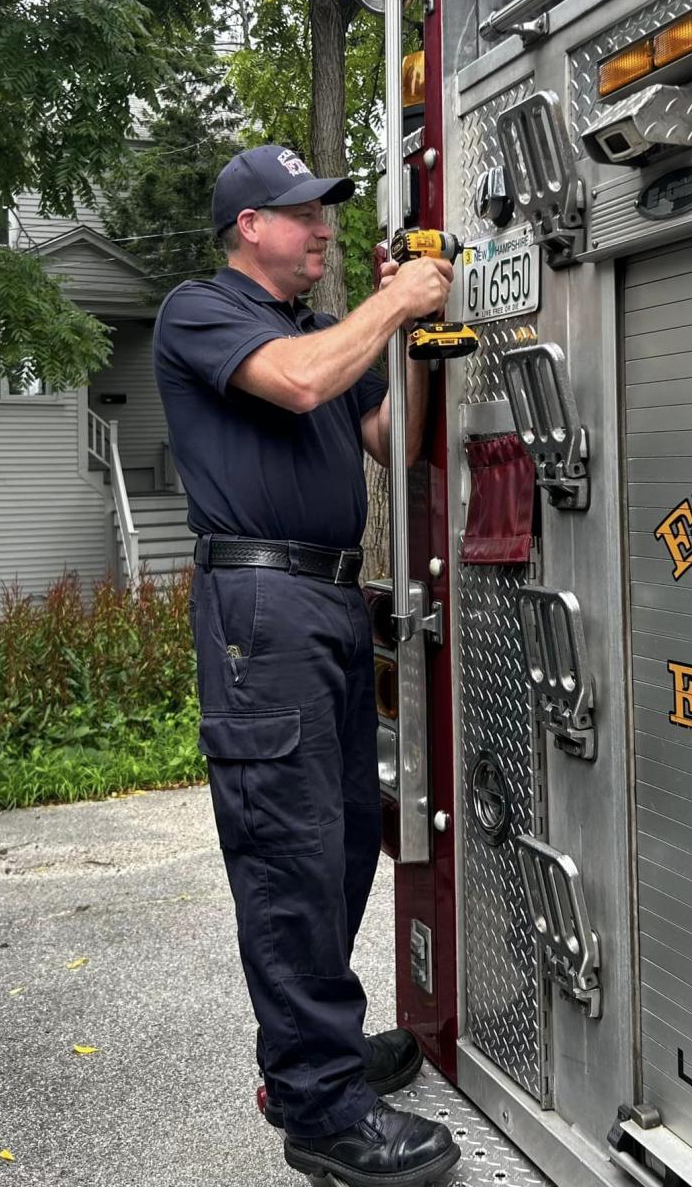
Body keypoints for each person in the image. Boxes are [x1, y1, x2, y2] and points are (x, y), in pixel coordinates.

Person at [152, 144, 460, 1187]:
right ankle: (322, 1111)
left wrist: (411, 335)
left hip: (329, 598)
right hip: (260, 605)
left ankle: (310, 1055)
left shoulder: (317, 329)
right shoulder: (203, 312)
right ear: (249, 225)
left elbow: (390, 439)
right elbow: (297, 384)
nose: (324, 227)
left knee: (341, 840)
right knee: (287, 852)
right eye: (302, 213)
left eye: (327, 211)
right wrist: (390, 303)